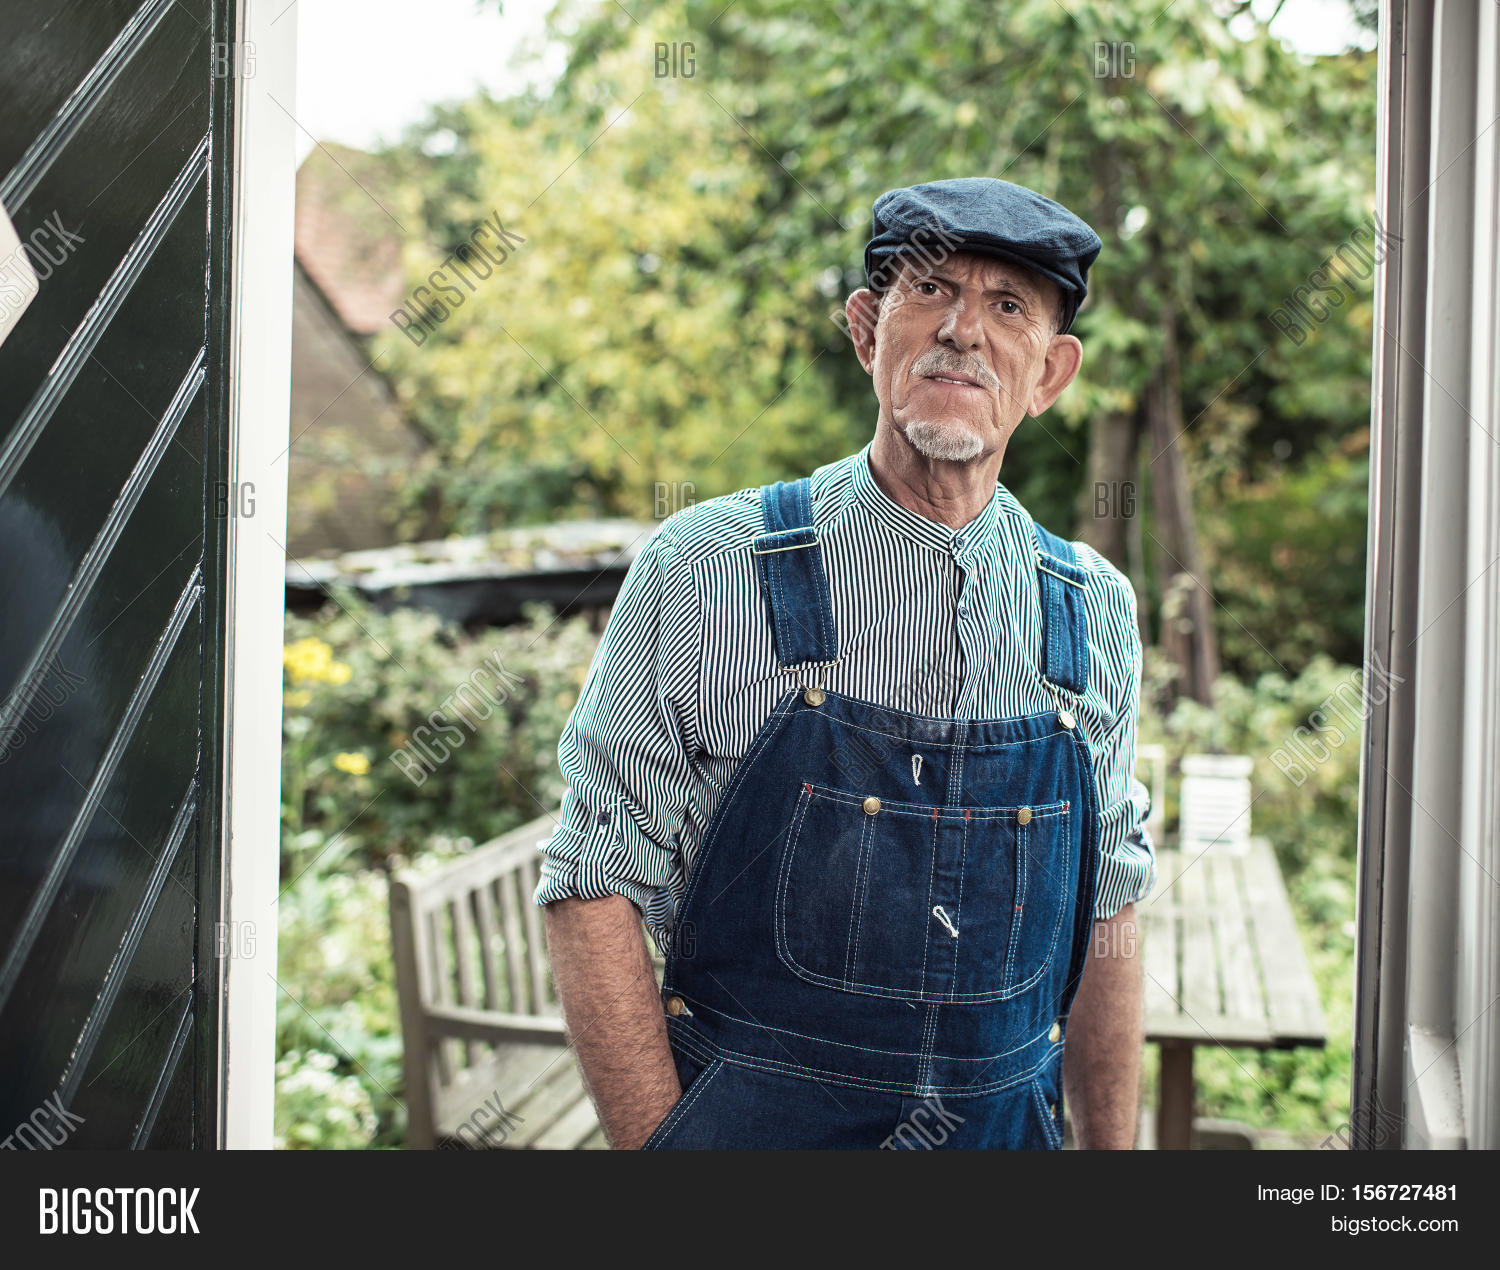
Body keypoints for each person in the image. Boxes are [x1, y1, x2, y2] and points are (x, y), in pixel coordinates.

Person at [535, 176, 1156, 1149]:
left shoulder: (1091, 609)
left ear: (1050, 374)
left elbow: (1111, 904)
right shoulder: (706, 566)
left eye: (1007, 306)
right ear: (868, 330)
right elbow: (591, 881)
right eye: (930, 290)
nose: (962, 330)